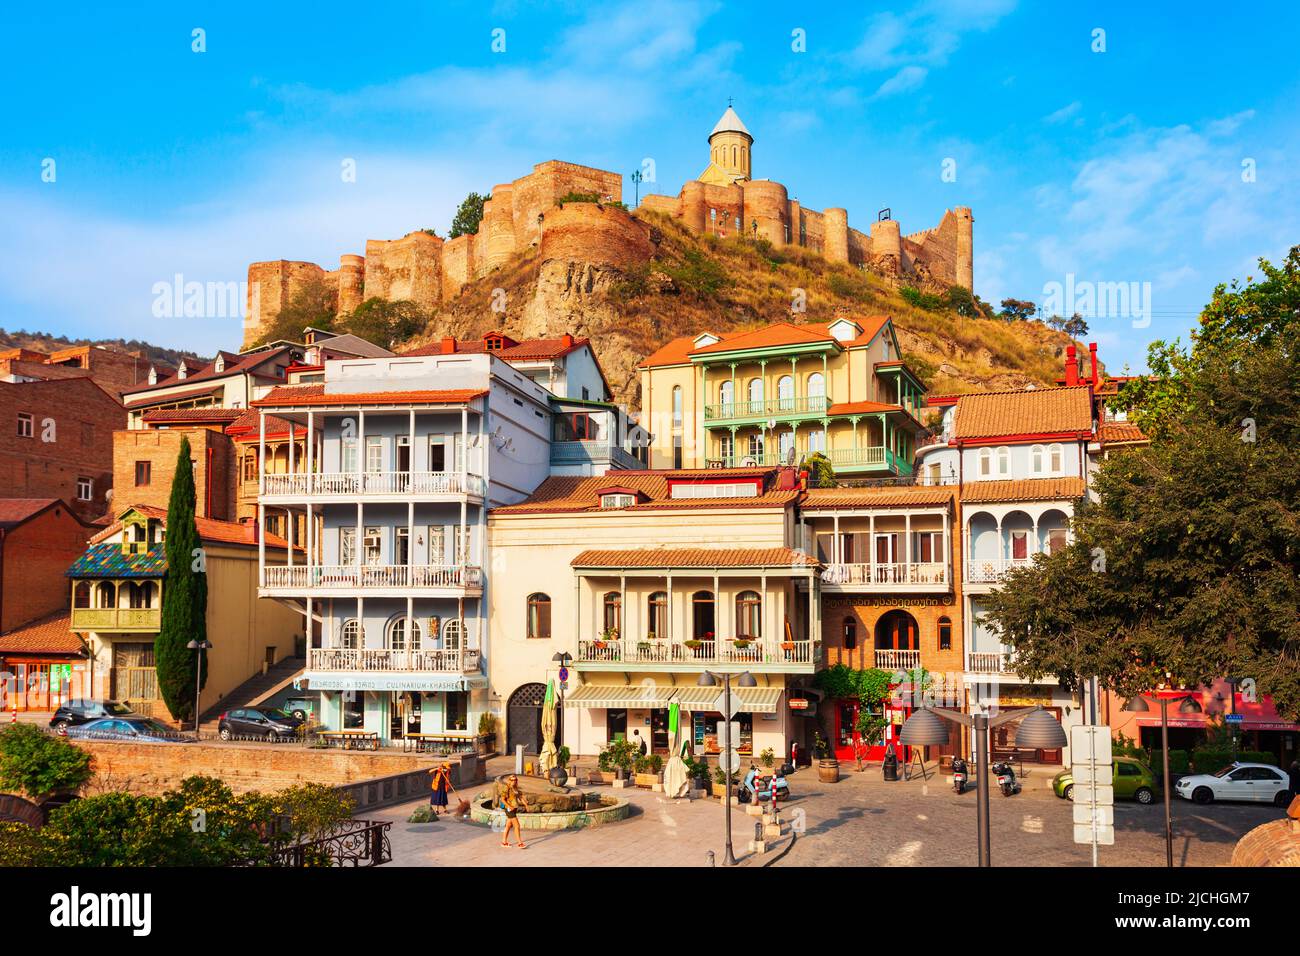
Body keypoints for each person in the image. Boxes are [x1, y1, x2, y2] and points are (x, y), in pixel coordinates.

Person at [499, 774, 529, 849]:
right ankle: (520, 843)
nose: (514, 781)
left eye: (515, 780)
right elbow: (502, 799)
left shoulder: (515, 788)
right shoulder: (507, 788)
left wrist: (526, 805)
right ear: (509, 780)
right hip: (509, 809)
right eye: (512, 780)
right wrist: (509, 806)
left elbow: (520, 797)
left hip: (514, 809)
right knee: (517, 825)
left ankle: (504, 842)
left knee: (508, 826)